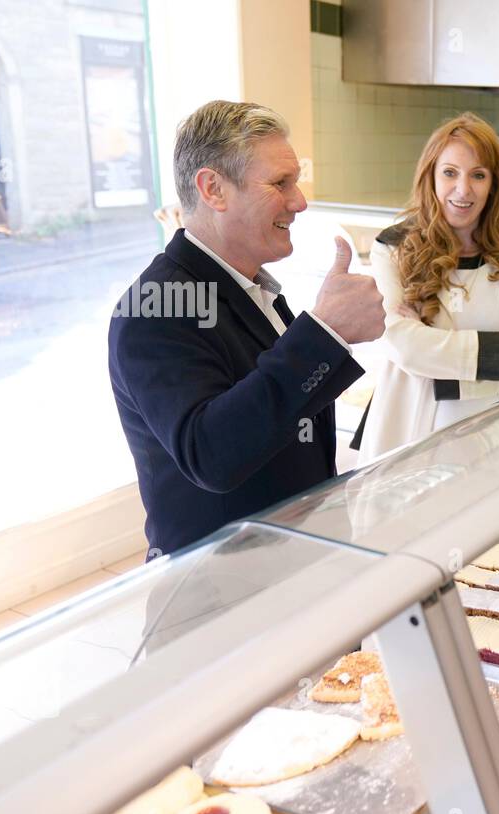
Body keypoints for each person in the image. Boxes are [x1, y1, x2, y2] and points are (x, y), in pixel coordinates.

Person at [109, 100, 385, 558]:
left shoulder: (253, 287)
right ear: (213, 189)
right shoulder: (154, 306)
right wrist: (326, 333)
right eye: (281, 183)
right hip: (222, 588)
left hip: (292, 562)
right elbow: (212, 455)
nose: (299, 202)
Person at [352, 113, 499, 460]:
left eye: (478, 175)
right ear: (430, 175)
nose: (463, 190)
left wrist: (438, 361)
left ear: (494, 183)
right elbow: (404, 347)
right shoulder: (394, 248)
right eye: (450, 173)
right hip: (413, 432)